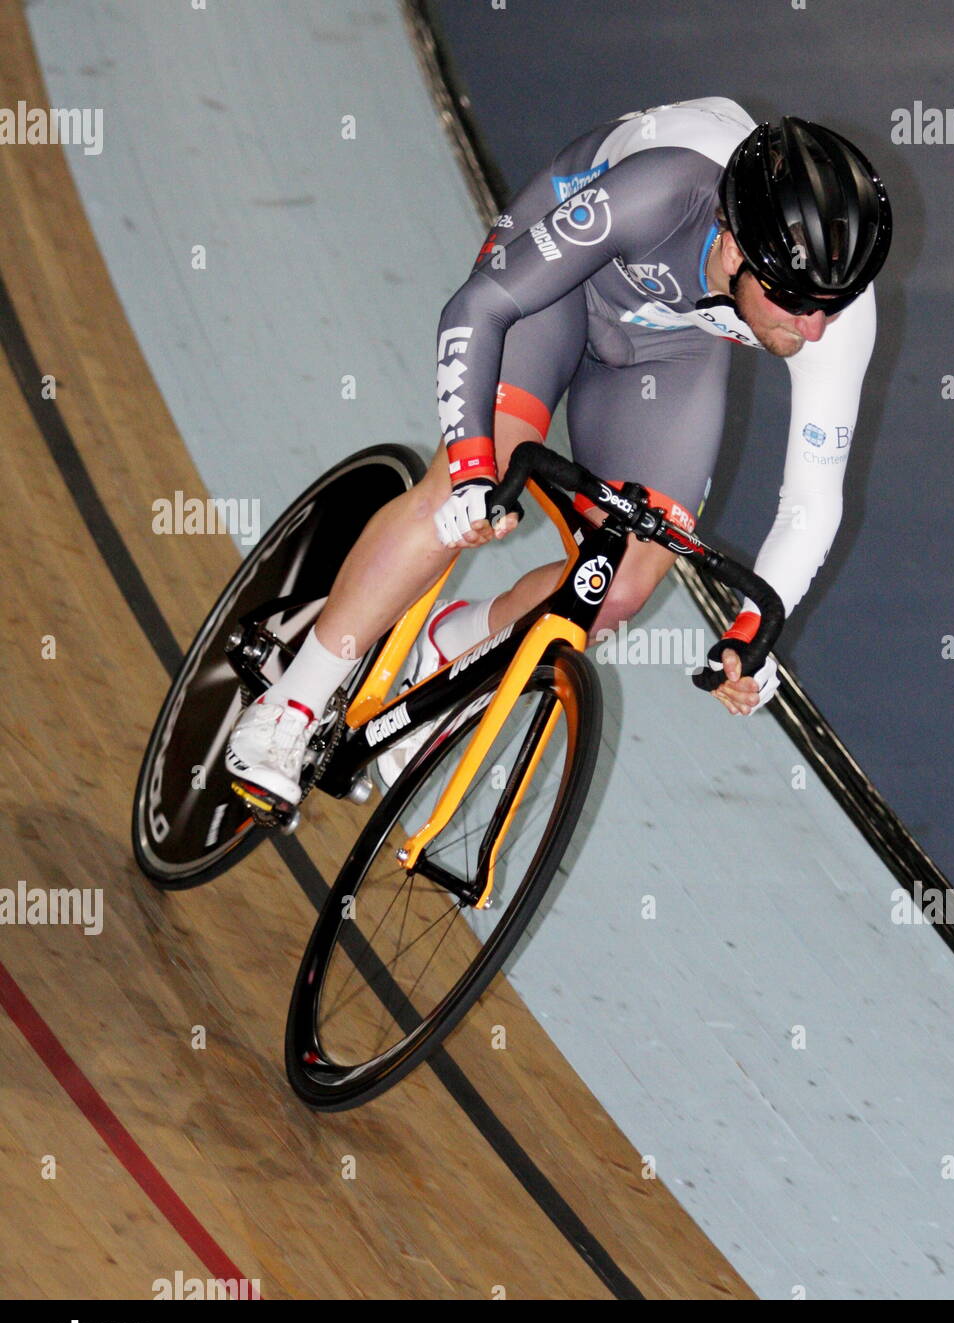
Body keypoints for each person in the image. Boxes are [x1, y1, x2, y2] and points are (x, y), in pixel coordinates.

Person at [226, 97, 891, 806]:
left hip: (670, 351)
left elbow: (813, 499)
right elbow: (480, 307)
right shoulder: (661, 191)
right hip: (556, 286)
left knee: (619, 586)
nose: (815, 329)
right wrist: (475, 462)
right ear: (734, 245)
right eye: (794, 301)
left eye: (833, 302)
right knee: (461, 487)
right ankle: (290, 705)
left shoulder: (831, 309)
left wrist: (756, 629)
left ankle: (453, 650)